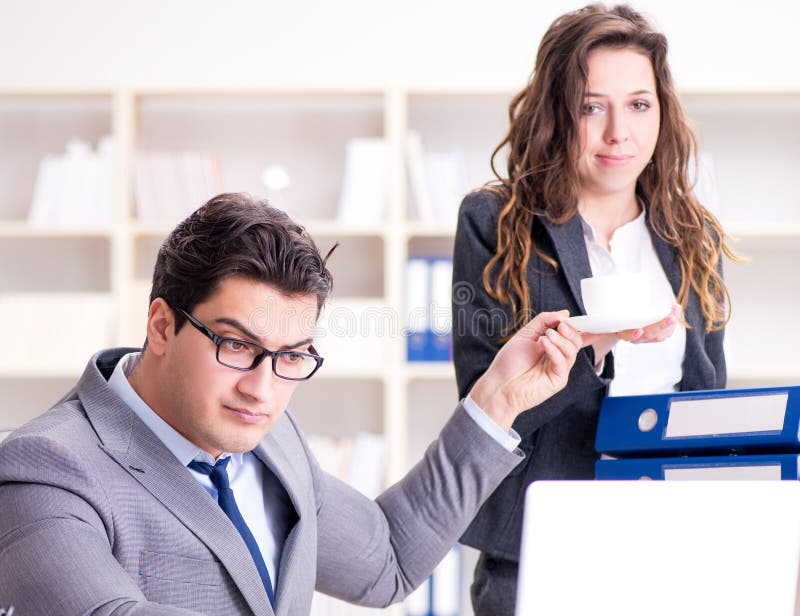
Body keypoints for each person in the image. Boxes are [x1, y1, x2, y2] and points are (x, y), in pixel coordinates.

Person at [0, 192, 584, 616]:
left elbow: (386, 561)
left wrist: (499, 398)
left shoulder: (267, 436)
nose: (262, 388)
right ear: (160, 325)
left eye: (291, 356)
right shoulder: (45, 467)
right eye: (236, 345)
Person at [451, 4, 739, 615]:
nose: (619, 134)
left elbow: (705, 397)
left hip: (669, 545)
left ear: (662, 112)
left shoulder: (693, 235)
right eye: (591, 106)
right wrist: (595, 348)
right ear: (559, 113)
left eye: (639, 104)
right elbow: (485, 407)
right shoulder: (495, 223)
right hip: (539, 546)